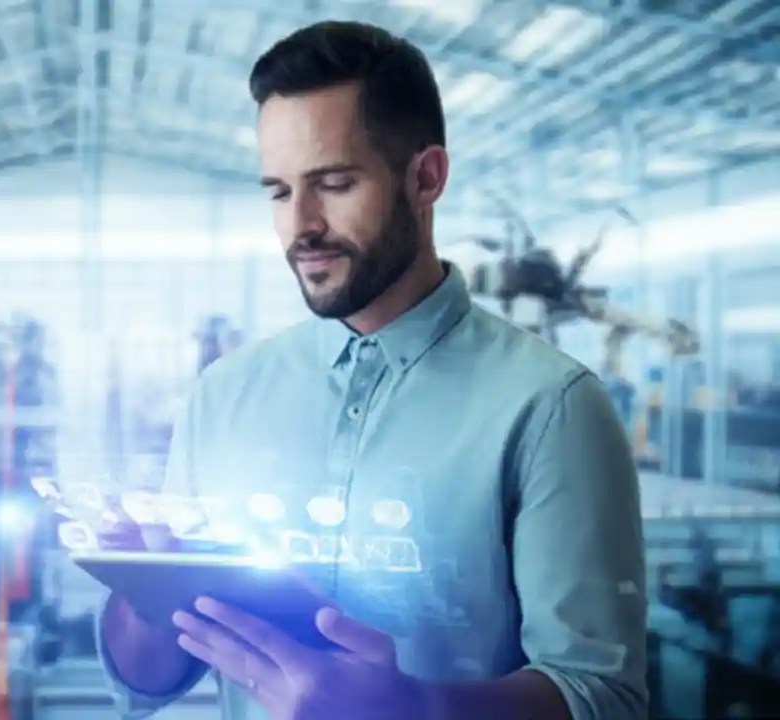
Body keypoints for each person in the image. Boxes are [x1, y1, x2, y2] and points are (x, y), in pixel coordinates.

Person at [96, 20, 646, 720]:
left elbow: (602, 696)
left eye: (333, 183)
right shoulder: (223, 397)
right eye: (278, 192)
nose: (301, 224)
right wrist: (146, 592)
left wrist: (417, 710)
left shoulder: (549, 407)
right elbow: (145, 682)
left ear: (426, 177)